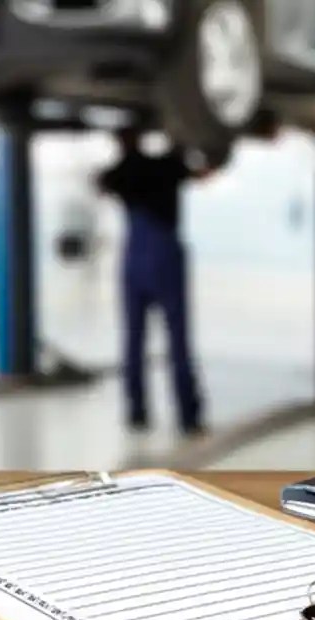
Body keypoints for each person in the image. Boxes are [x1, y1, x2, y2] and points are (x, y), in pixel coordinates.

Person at [97, 129, 208, 436]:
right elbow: (204, 172)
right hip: (166, 255)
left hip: (134, 256)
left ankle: (136, 413)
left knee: (133, 339)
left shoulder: (120, 171)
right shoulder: (169, 165)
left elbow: (98, 185)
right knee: (178, 339)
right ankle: (189, 417)